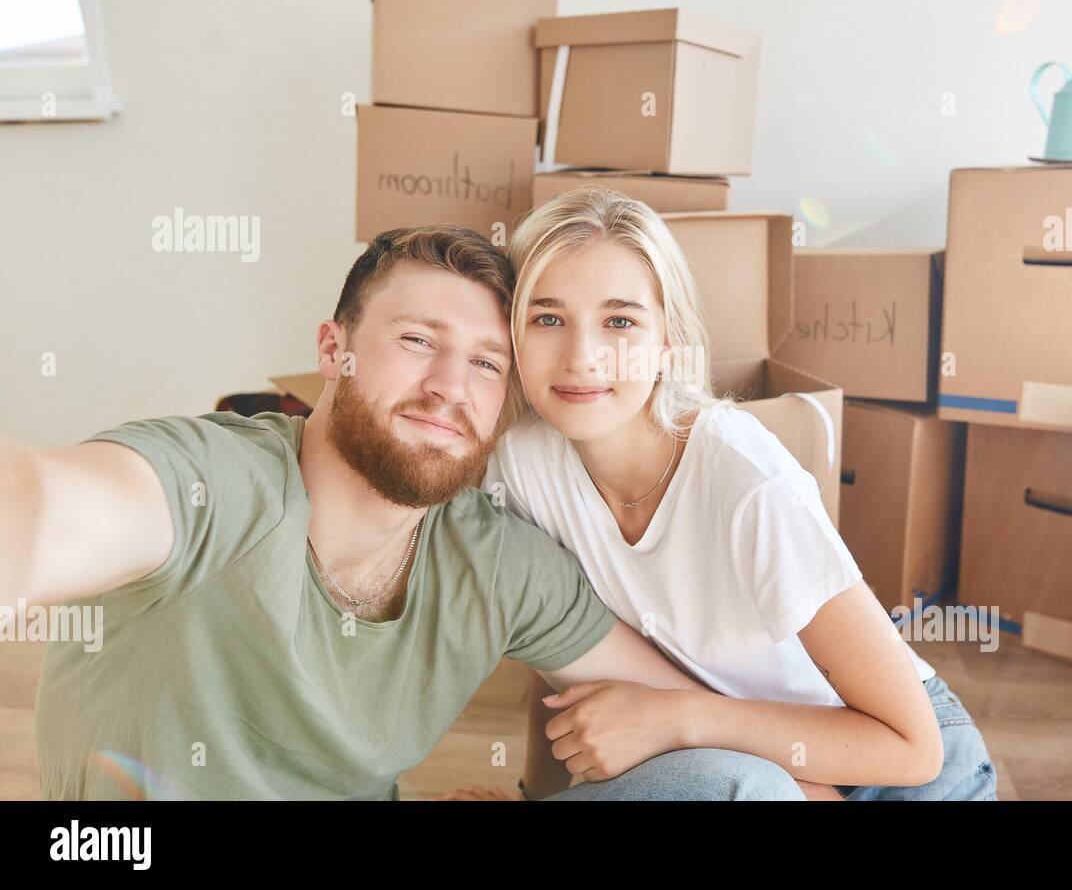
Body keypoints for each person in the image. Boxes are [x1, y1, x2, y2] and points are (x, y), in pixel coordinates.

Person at [8, 225, 804, 801]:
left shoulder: (491, 558)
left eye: (488, 364)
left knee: (738, 786)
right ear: (333, 349)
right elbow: (47, 510)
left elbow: (696, 721)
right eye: (418, 340)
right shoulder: (216, 483)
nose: (450, 386)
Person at [467, 190, 997, 802]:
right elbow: (568, 669)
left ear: (668, 340)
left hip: (895, 769)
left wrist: (675, 718)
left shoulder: (745, 481)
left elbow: (913, 747)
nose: (582, 357)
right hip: (736, 768)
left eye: (620, 321)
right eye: (547, 317)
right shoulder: (523, 465)